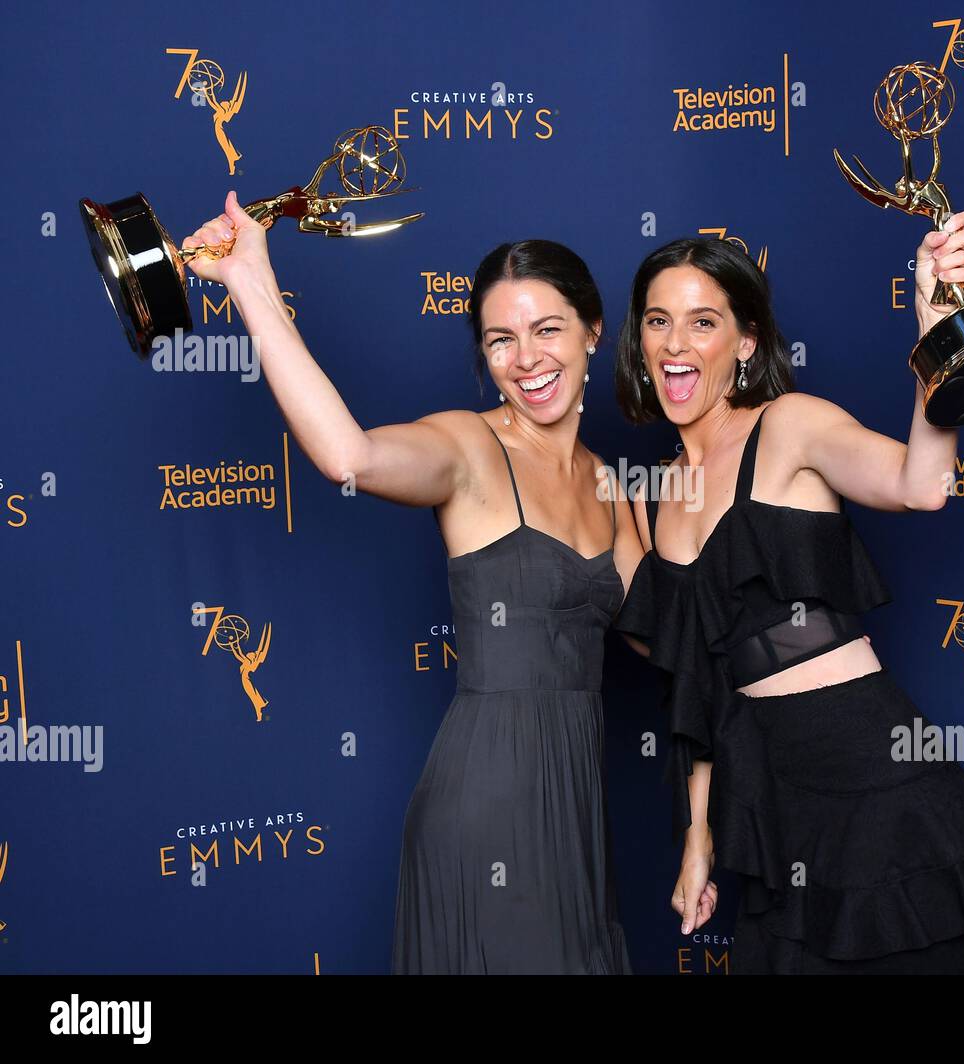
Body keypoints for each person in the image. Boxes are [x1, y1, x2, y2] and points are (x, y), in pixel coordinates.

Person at [182, 193, 640, 973]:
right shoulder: (467, 448)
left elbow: (668, 633)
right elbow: (349, 457)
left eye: (547, 329)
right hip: (489, 805)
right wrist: (252, 283)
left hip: (576, 810)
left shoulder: (614, 484)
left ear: (593, 330)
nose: (526, 358)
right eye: (501, 340)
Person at [612, 211, 964, 974]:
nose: (675, 344)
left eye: (703, 322)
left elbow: (922, 485)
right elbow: (699, 690)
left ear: (744, 343)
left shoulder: (789, 426)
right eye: (658, 321)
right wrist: (698, 843)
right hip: (772, 810)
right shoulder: (648, 497)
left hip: (871, 777)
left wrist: (938, 335)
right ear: (638, 340)